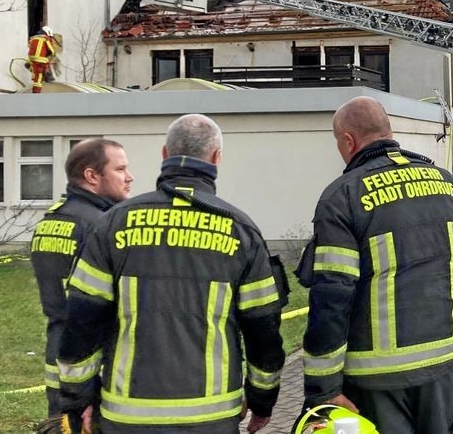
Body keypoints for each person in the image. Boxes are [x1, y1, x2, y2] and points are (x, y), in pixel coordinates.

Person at [56, 114, 286, 434]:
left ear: (165, 154)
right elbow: (263, 329)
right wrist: (262, 401)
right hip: (212, 419)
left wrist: (79, 399)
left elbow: (81, 321)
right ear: (216, 158)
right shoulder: (241, 230)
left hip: (127, 418)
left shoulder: (112, 224)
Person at [298, 96, 453, 433]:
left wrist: (323, 388)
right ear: (388, 132)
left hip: (376, 379)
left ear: (348, 140)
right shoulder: (449, 185)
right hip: (443, 365)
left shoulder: (342, 198)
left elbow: (332, 296)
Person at [31, 139, 133, 420]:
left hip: (58, 356)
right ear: (91, 176)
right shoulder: (101, 226)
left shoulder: (51, 220)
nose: (129, 177)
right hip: (93, 364)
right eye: (120, 169)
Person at [27, 26, 61, 93]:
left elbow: (31, 48)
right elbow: (51, 50)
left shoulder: (33, 39)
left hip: (32, 60)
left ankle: (44, 75)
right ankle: (48, 76)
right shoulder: (46, 38)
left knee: (36, 75)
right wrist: (52, 54)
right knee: (39, 77)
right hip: (41, 60)